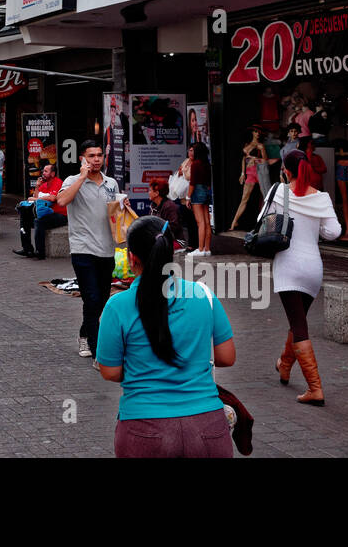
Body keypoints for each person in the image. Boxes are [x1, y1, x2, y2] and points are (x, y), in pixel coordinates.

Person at [97, 216, 238, 458]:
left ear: (132, 258)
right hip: (207, 427)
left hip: (144, 430)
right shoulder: (202, 295)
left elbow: (110, 371)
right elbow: (226, 357)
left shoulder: (117, 306)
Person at [270, 150, 342, 405]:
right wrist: (317, 225)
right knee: (297, 321)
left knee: (299, 326)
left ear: (286, 170)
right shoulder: (321, 197)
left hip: (288, 265)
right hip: (313, 268)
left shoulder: (278, 193)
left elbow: (263, 223)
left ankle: (315, 388)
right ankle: (284, 364)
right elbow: (334, 232)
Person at [57, 141, 122, 358]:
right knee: (91, 298)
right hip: (82, 248)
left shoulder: (111, 183)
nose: (96, 159)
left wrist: (123, 207)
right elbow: (62, 200)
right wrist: (82, 177)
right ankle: (98, 351)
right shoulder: (72, 181)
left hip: (106, 249)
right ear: (82, 159)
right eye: (91, 156)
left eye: (99, 155)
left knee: (101, 299)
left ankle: (85, 333)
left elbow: (115, 213)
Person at [16, 161, 67, 258]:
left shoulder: (58, 182)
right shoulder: (44, 185)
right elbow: (35, 198)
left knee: (38, 222)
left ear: (52, 174)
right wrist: (37, 186)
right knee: (24, 217)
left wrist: (35, 198)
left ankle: (40, 252)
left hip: (60, 215)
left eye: (46, 171)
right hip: (46, 213)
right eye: (43, 171)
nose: (43, 173)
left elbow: (53, 198)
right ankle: (27, 249)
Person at [188, 142, 212, 255]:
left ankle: (200, 249)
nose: (191, 152)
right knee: (207, 222)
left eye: (193, 150)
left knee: (200, 222)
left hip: (197, 192)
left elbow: (192, 183)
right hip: (206, 191)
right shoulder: (207, 164)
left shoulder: (195, 164)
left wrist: (188, 197)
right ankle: (207, 249)